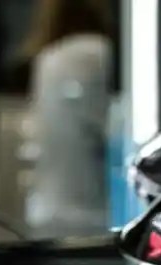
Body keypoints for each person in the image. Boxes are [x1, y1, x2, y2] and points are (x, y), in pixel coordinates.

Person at [22, 0, 114, 237]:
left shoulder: (48, 58)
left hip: (48, 213)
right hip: (91, 216)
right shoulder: (96, 54)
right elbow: (109, 131)